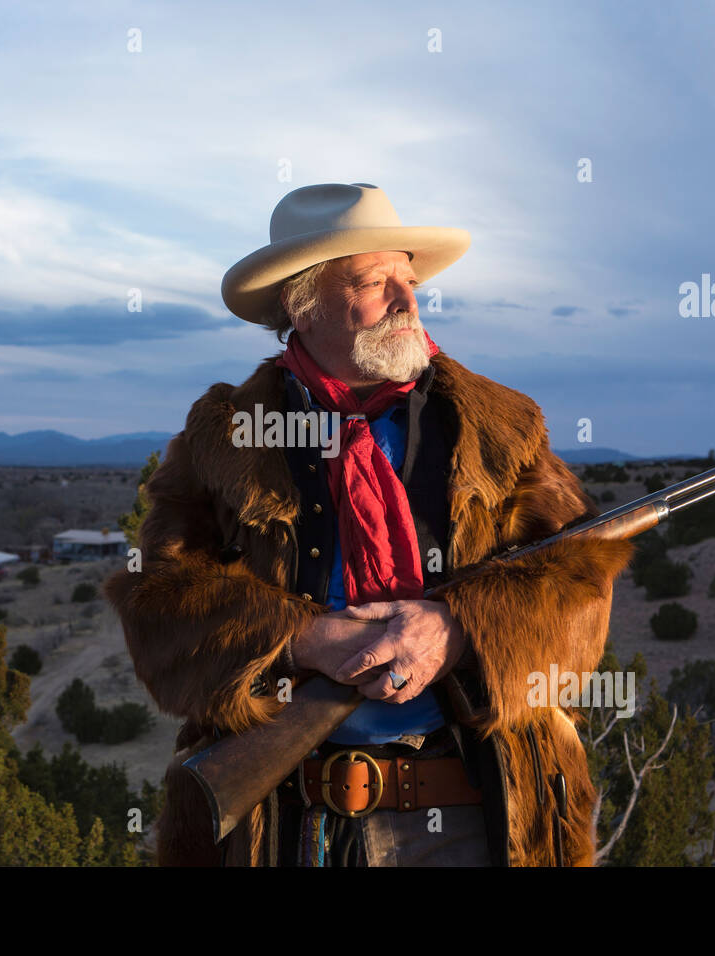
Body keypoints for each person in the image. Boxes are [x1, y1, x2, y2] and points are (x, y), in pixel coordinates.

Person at [105, 182, 636, 866]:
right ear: (303, 300)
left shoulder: (502, 427)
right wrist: (306, 639)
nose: (408, 300)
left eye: (409, 279)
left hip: (483, 816)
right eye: (375, 280)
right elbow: (158, 608)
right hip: (286, 824)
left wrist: (458, 629)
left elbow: (580, 588)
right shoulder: (224, 437)